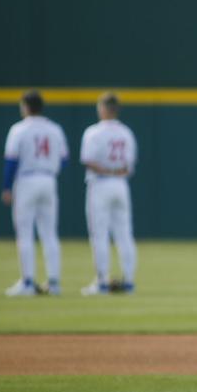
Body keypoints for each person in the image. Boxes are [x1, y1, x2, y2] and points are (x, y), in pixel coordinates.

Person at [2, 90, 69, 296]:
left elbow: (11, 161)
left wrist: (6, 187)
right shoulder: (55, 129)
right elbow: (64, 160)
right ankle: (54, 282)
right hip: (48, 179)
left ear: (25, 106)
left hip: (27, 180)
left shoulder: (19, 129)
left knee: (25, 234)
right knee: (49, 234)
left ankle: (28, 283)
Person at [80, 92, 138, 295]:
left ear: (103, 109)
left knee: (100, 235)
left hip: (101, 185)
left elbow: (88, 160)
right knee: (124, 234)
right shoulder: (126, 133)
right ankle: (129, 281)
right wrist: (115, 172)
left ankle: (102, 283)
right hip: (121, 185)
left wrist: (107, 171)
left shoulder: (93, 132)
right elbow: (128, 166)